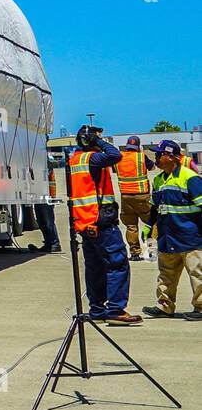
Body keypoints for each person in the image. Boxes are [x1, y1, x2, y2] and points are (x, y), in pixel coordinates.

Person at [68, 125, 141, 325]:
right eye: (98, 137)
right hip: (101, 220)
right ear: (90, 140)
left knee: (95, 268)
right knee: (117, 263)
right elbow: (115, 155)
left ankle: (97, 310)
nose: (102, 140)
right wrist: (97, 141)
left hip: (83, 222)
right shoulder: (93, 159)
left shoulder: (74, 160)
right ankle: (116, 309)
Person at [142, 139, 202, 320]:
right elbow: (154, 208)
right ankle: (165, 306)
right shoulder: (159, 180)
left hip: (190, 237)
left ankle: (200, 308)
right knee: (166, 275)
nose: (157, 158)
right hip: (168, 237)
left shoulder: (189, 177)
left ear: (171, 157)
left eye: (160, 154)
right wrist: (148, 227)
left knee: (198, 273)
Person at [116, 135, 154, 261]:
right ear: (138, 146)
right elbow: (152, 167)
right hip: (142, 196)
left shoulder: (119, 157)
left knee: (131, 225)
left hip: (126, 197)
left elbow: (115, 170)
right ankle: (152, 250)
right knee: (152, 222)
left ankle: (135, 253)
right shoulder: (141, 156)